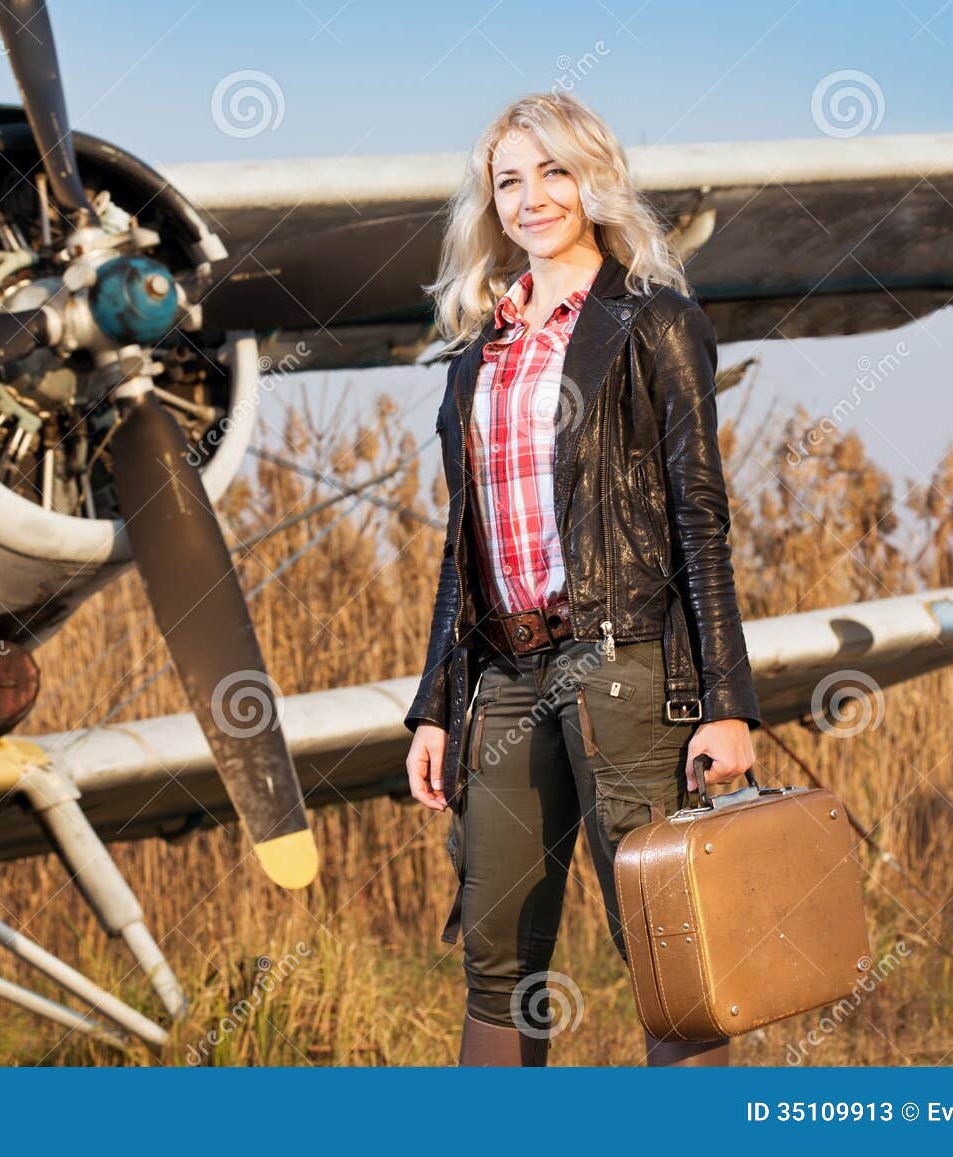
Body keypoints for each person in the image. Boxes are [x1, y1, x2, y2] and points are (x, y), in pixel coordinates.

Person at [402, 91, 762, 1067]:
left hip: (626, 665)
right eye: (508, 179)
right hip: (505, 676)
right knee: (493, 956)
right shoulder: (475, 360)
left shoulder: (654, 323)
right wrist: (434, 706)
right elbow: (459, 544)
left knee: (660, 945)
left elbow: (700, 515)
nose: (530, 197)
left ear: (592, 179)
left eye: (552, 171)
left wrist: (727, 701)